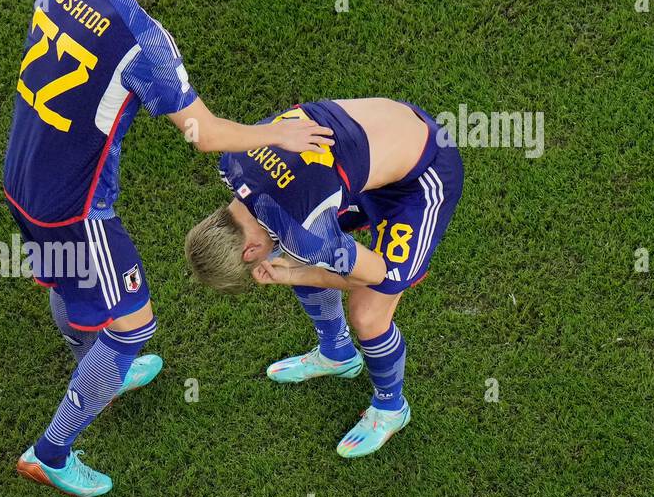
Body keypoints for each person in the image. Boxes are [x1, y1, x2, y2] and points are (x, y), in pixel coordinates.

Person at [3, 0, 333, 496]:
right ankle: (52, 450)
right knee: (132, 327)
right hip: (76, 209)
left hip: (22, 177)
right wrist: (275, 134)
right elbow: (203, 134)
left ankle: (98, 364)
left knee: (68, 283)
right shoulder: (143, 39)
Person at [185, 99, 464, 457]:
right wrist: (298, 264)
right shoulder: (232, 162)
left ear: (249, 252)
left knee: (368, 314)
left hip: (423, 176)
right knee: (296, 252)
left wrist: (295, 274)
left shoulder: (304, 234)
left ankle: (391, 409)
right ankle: (337, 353)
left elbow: (373, 274)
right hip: (374, 142)